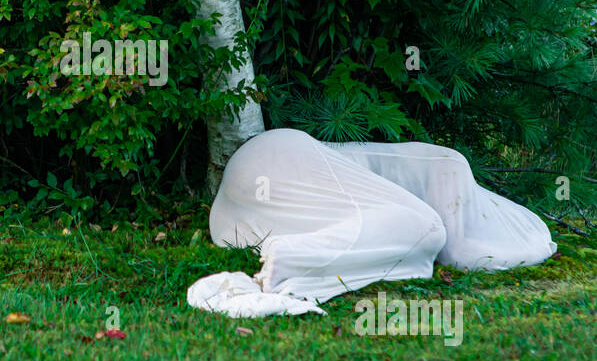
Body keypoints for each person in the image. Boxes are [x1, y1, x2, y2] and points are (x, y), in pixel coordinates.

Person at [188, 128, 558, 317]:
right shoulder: (449, 169)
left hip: (251, 176)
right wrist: (539, 240)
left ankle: (288, 254)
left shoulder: (429, 171)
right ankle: (287, 259)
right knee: (427, 230)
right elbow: (464, 253)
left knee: (422, 227)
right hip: (281, 162)